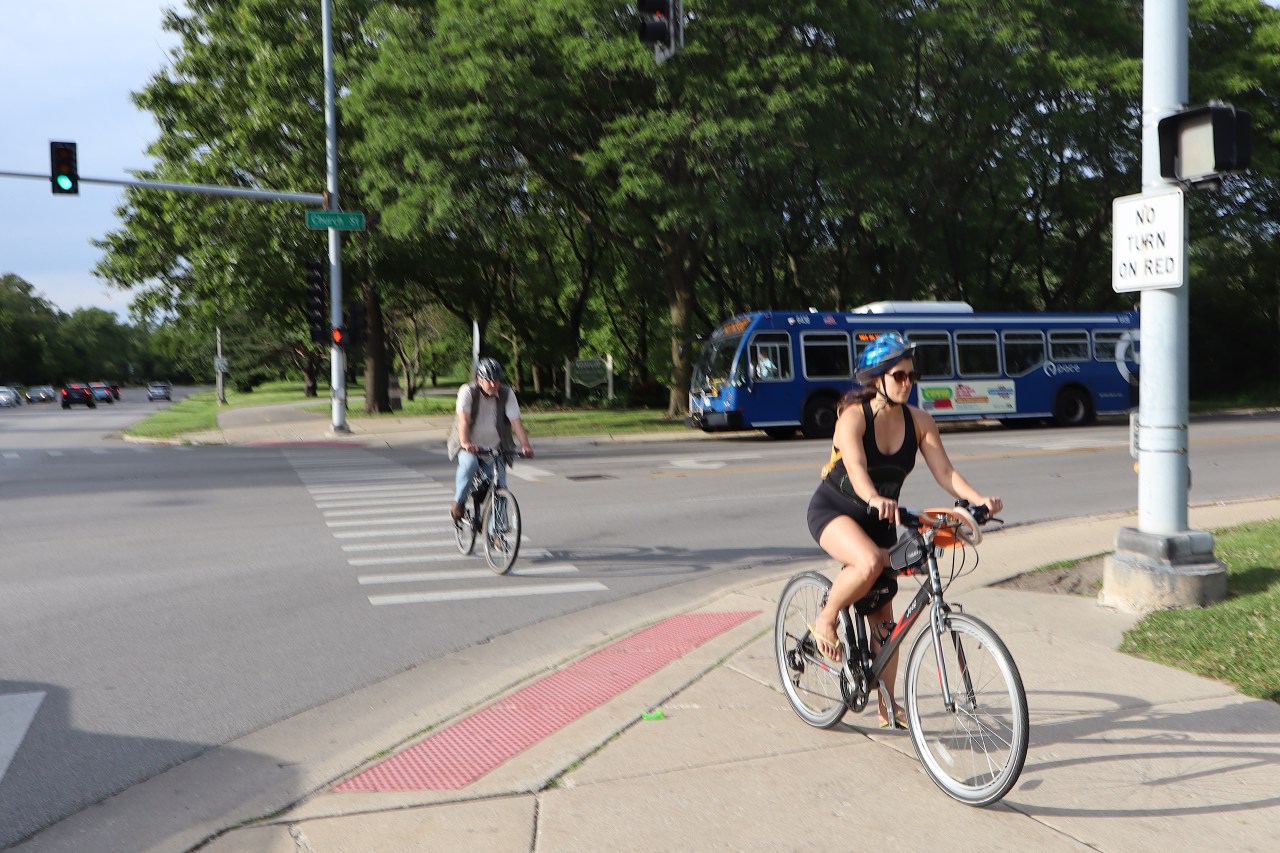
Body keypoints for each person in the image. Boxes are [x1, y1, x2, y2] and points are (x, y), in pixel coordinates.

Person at [805, 332, 1002, 729]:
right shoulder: (853, 417)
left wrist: (979, 500)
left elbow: (945, 473)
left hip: (882, 520)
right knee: (868, 562)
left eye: (913, 376)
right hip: (836, 511)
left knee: (885, 620)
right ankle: (826, 618)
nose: (908, 383)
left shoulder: (920, 422)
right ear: (878, 378)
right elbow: (858, 471)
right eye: (899, 375)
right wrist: (874, 497)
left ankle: (886, 703)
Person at [450, 358, 534, 523]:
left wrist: (526, 445)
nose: (494, 384)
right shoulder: (467, 391)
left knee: (500, 485)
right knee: (470, 464)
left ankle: (496, 532)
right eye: (489, 380)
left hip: (495, 448)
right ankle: (458, 502)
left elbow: (516, 422)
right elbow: (464, 421)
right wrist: (466, 442)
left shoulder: (507, 394)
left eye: (497, 380)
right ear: (480, 380)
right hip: (470, 446)